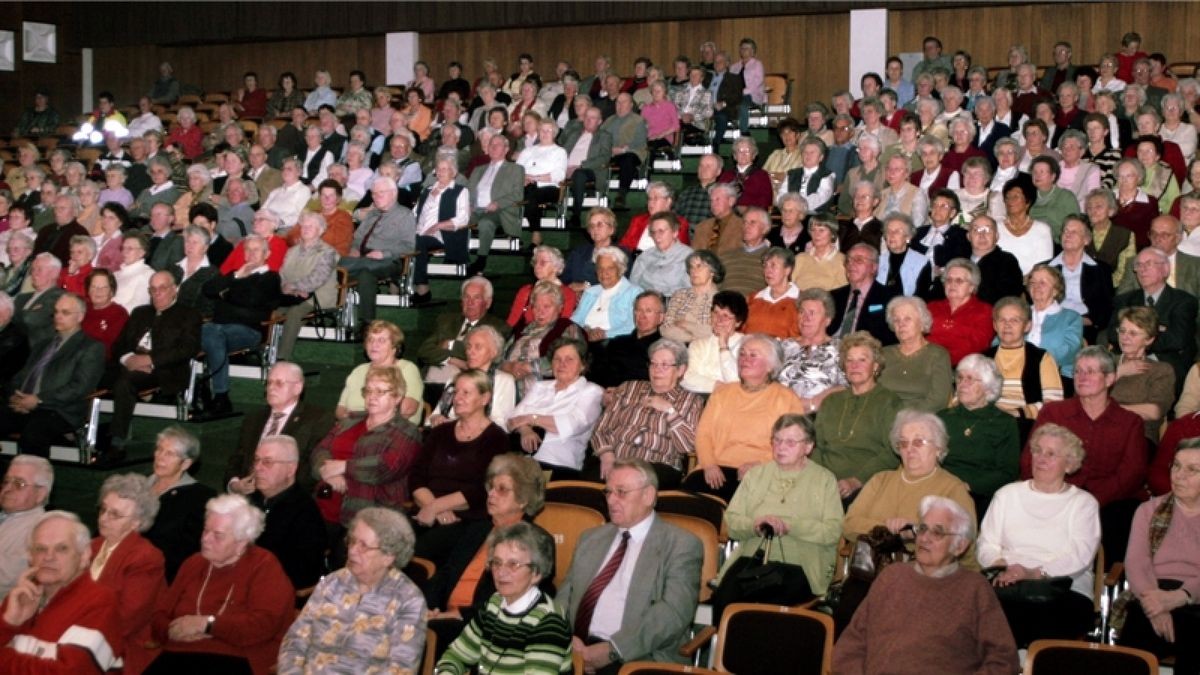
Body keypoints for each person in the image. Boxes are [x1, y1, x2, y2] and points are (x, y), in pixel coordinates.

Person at [833, 496, 1019, 674]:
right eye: (922, 528)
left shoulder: (974, 588)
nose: (924, 538)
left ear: (960, 546)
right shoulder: (891, 576)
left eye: (937, 532)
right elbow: (850, 645)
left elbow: (1003, 660)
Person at [556, 458, 701, 674]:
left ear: (648, 495)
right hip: (576, 646)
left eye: (621, 492)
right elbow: (565, 595)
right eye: (608, 492)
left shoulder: (681, 544)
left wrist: (613, 649)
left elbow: (672, 614)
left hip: (638, 655)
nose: (611, 500)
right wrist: (565, 638)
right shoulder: (590, 538)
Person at [979, 423, 1101, 647]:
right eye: (1037, 451)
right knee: (980, 614)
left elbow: (1080, 557)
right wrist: (1001, 567)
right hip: (1008, 583)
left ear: (1070, 463)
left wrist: (1033, 572)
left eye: (1051, 454)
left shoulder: (1083, 503)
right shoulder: (1007, 495)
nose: (1041, 458)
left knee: (1040, 620)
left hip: (1064, 588)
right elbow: (987, 543)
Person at [1022, 347, 1148, 564]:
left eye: (1090, 371)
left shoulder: (1129, 422)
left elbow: (1132, 474)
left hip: (1109, 501)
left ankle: (1106, 583)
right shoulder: (1054, 413)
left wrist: (1091, 500)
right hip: (1057, 494)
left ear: (1109, 379)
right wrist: (1062, 495)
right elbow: (1030, 459)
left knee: (1122, 517)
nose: (1082, 377)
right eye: (1078, 371)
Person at [712, 414, 842, 621]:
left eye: (790, 442)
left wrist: (791, 526)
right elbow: (732, 523)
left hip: (801, 564)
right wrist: (754, 525)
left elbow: (832, 532)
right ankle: (727, 654)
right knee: (724, 602)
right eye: (777, 440)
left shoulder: (824, 480)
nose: (781, 447)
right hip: (752, 559)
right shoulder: (756, 475)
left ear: (808, 447)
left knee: (768, 612)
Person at [146, 495, 294, 675]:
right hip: (178, 653)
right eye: (205, 531)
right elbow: (159, 614)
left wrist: (207, 624)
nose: (206, 539)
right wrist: (171, 630)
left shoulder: (263, 565)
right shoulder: (193, 563)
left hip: (235, 656)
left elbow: (263, 625)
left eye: (218, 535)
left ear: (241, 542)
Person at [278, 507, 426, 673]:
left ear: (388, 556)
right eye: (352, 541)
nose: (352, 550)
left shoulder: (408, 599)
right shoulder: (332, 583)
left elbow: (401, 669)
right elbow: (295, 641)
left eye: (363, 546)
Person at [435, 521, 571, 674]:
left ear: (536, 573)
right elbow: (454, 656)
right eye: (497, 563)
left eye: (513, 564)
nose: (501, 572)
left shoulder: (549, 622)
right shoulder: (494, 603)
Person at [312, 366, 423, 551]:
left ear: (397, 397)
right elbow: (320, 450)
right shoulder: (349, 421)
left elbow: (387, 467)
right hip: (323, 506)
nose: (372, 396)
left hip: (369, 519)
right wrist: (328, 473)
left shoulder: (406, 432)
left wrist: (344, 467)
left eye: (380, 391)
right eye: (369, 390)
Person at [1114, 438, 1200, 674]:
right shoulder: (1148, 510)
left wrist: (1181, 597)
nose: (1179, 475)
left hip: (1195, 597)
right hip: (1151, 593)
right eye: (1176, 465)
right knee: (1133, 648)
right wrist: (1156, 606)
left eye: (1192, 470)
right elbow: (1136, 563)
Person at [0, 511, 123, 674]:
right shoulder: (21, 596)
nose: (49, 557)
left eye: (62, 549)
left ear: (84, 556)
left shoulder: (100, 602)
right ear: (30, 557)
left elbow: (68, 673)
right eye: (40, 549)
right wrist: (8, 623)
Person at [688, 333, 806, 502]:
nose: (744, 359)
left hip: (763, 472)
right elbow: (703, 434)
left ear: (771, 366)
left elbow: (793, 445)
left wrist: (762, 465)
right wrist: (708, 464)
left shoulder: (787, 399)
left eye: (753, 355)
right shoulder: (723, 393)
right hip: (715, 470)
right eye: (742, 354)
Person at [587, 338, 704, 489]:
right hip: (615, 459)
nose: (657, 369)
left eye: (665, 365)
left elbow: (687, 446)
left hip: (657, 467)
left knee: (633, 490)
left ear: (681, 370)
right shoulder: (629, 387)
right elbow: (601, 428)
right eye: (653, 364)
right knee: (587, 490)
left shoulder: (691, 400)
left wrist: (669, 410)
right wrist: (606, 455)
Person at [106, 271, 202, 455]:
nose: (157, 293)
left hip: (164, 370)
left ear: (175, 289)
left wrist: (150, 360)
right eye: (153, 289)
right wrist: (128, 360)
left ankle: (117, 441)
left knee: (124, 382)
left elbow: (187, 349)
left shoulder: (188, 315)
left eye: (162, 288)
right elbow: (119, 345)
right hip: (130, 365)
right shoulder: (140, 312)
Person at [3, 293, 105, 456]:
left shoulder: (90, 347)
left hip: (60, 410)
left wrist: (38, 399)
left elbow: (79, 387)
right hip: (27, 405)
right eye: (56, 312)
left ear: (80, 317)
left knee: (33, 434)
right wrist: (16, 398)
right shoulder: (42, 345)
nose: (58, 316)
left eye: (65, 313)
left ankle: (34, 478)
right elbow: (20, 377)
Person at [89, 473, 166, 674]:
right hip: (83, 637)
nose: (104, 518)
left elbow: (125, 621)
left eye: (115, 514)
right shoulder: (91, 546)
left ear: (137, 523)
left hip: (120, 649)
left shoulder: (146, 558)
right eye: (103, 509)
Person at [199, 235, 281, 415]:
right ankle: (220, 397)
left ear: (267, 254)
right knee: (209, 331)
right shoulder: (234, 274)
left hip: (249, 331)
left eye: (256, 250)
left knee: (211, 331)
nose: (250, 254)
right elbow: (208, 290)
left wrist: (226, 294)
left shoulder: (271, 278)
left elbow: (252, 300)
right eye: (247, 250)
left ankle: (208, 392)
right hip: (217, 329)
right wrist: (235, 276)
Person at [226, 362, 334, 495]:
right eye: (269, 383)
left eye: (279, 383)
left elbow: (310, 465)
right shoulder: (254, 419)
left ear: (297, 388)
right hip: (247, 496)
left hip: (288, 497)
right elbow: (238, 458)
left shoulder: (317, 418)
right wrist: (234, 484)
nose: (271, 388)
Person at [239, 436, 326, 593]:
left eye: (267, 462)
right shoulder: (249, 501)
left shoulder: (305, 512)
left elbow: (302, 577)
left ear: (291, 469)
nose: (258, 468)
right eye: (256, 460)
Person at [508, 339, 604, 479]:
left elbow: (572, 425)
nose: (562, 364)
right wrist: (525, 430)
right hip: (522, 460)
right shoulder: (540, 386)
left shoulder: (591, 391)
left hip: (557, 464)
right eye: (557, 359)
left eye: (569, 359)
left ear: (583, 365)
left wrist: (531, 419)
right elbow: (512, 419)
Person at [1108, 246, 1198, 388]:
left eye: (1148, 264)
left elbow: (1177, 340)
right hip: (1127, 358)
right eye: (1138, 265)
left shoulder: (1184, 301)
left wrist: (1138, 346)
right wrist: (1156, 330)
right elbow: (1113, 334)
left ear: (1165, 269)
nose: (1142, 270)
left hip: (1167, 361)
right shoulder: (1124, 300)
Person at [340, 177, 416, 328]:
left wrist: (384, 253)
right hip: (363, 260)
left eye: (381, 193)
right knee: (365, 273)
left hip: (389, 261)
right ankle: (367, 322)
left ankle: (339, 266)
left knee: (341, 263)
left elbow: (409, 246)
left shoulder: (405, 215)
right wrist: (354, 249)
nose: (375, 197)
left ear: (393, 193)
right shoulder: (371, 214)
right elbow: (357, 238)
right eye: (374, 194)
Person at [143, 427, 216, 583]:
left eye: (169, 454)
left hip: (159, 575)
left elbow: (186, 551)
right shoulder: (136, 485)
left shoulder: (200, 497)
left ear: (186, 464)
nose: (160, 457)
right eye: (159, 449)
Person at [986, 296, 1065, 423]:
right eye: (1002, 320)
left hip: (1025, 423)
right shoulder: (982, 358)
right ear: (995, 325)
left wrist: (1017, 412)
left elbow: (1053, 404)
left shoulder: (1042, 358)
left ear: (1027, 326)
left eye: (1015, 320)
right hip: (987, 422)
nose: (1007, 325)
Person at [1110, 306, 1177, 440]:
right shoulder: (1105, 363)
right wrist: (1118, 372)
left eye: (1133, 333)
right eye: (1122, 331)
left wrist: (1108, 410)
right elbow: (1081, 397)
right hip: (1097, 428)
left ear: (1149, 339)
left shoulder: (1161, 370)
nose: (1125, 337)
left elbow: (1154, 412)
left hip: (1138, 434)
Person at [1049, 212, 1115, 345]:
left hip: (1085, 326)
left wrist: (1084, 321)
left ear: (1086, 240)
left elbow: (1106, 308)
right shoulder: (1046, 268)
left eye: (1074, 232)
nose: (1067, 235)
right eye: (1065, 231)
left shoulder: (1101, 270)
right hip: (1051, 323)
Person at [879, 296, 952, 413]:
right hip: (882, 417)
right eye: (896, 320)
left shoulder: (938, 355)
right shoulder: (883, 354)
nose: (901, 324)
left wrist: (906, 415)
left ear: (922, 322)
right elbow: (871, 391)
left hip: (921, 419)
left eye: (907, 319)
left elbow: (939, 399)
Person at [466, 134, 524, 275]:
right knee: (456, 222)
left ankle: (481, 259)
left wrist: (498, 203)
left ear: (506, 149)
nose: (493, 147)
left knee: (486, 223)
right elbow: (468, 191)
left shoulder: (515, 169)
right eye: (491, 144)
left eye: (497, 144)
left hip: (499, 211)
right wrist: (468, 204)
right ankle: (456, 257)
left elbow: (517, 194)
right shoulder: (478, 169)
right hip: (476, 210)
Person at [0, 456, 52, 599]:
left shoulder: (40, 530)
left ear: (40, 494)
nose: (8, 488)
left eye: (19, 484)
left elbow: (7, 579)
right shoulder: (7, 517)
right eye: (6, 481)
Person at [927, 258, 994, 366]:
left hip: (961, 368)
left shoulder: (984, 311)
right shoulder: (931, 308)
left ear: (972, 287)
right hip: (925, 363)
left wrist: (941, 361)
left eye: (959, 281)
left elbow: (977, 346)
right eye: (949, 280)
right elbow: (918, 338)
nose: (952, 284)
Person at [680, 290, 746, 394]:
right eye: (716, 312)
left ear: (738, 322)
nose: (719, 319)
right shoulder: (698, 344)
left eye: (726, 316)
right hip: (700, 397)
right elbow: (688, 378)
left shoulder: (747, 345)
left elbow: (736, 382)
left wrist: (723, 347)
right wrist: (719, 386)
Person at [571, 246, 643, 343]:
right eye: (600, 268)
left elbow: (635, 325)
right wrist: (585, 331)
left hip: (616, 342)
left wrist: (606, 334)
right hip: (584, 340)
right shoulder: (590, 292)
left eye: (610, 268)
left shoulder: (634, 292)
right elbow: (575, 320)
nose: (604, 273)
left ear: (620, 269)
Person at [660, 249, 721, 344]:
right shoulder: (679, 294)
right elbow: (665, 328)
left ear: (712, 271)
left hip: (704, 349)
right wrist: (692, 337)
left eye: (699, 266)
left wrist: (685, 324)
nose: (693, 271)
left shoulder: (720, 299)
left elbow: (715, 332)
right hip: (674, 346)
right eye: (691, 267)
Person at [875, 213, 932, 299]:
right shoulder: (878, 260)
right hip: (878, 309)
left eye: (897, 231)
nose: (892, 235)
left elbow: (921, 298)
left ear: (908, 237)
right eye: (889, 231)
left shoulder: (922, 262)